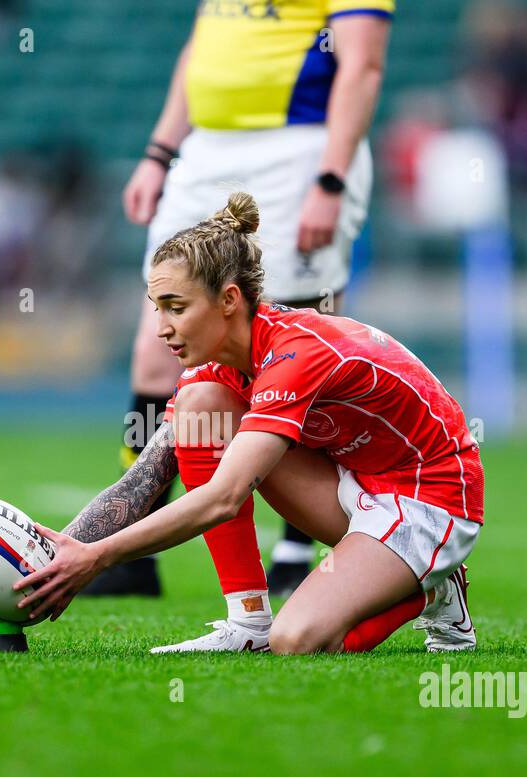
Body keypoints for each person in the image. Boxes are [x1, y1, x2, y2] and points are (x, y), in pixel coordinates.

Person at [17, 193, 483, 655]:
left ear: (229, 300)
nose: (161, 326)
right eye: (156, 307)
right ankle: (248, 622)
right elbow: (144, 479)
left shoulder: (296, 355)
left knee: (296, 641)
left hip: (431, 496)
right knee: (201, 405)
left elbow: (223, 499)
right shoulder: (213, 368)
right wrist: (53, 558)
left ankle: (431, 588)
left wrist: (98, 558)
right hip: (354, 483)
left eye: (176, 307)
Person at [91, 0, 393, 599]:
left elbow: (361, 66)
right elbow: (197, 53)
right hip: (206, 148)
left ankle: (296, 543)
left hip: (297, 147)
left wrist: (330, 178)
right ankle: (132, 553)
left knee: (297, 338)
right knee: (158, 346)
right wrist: (159, 153)